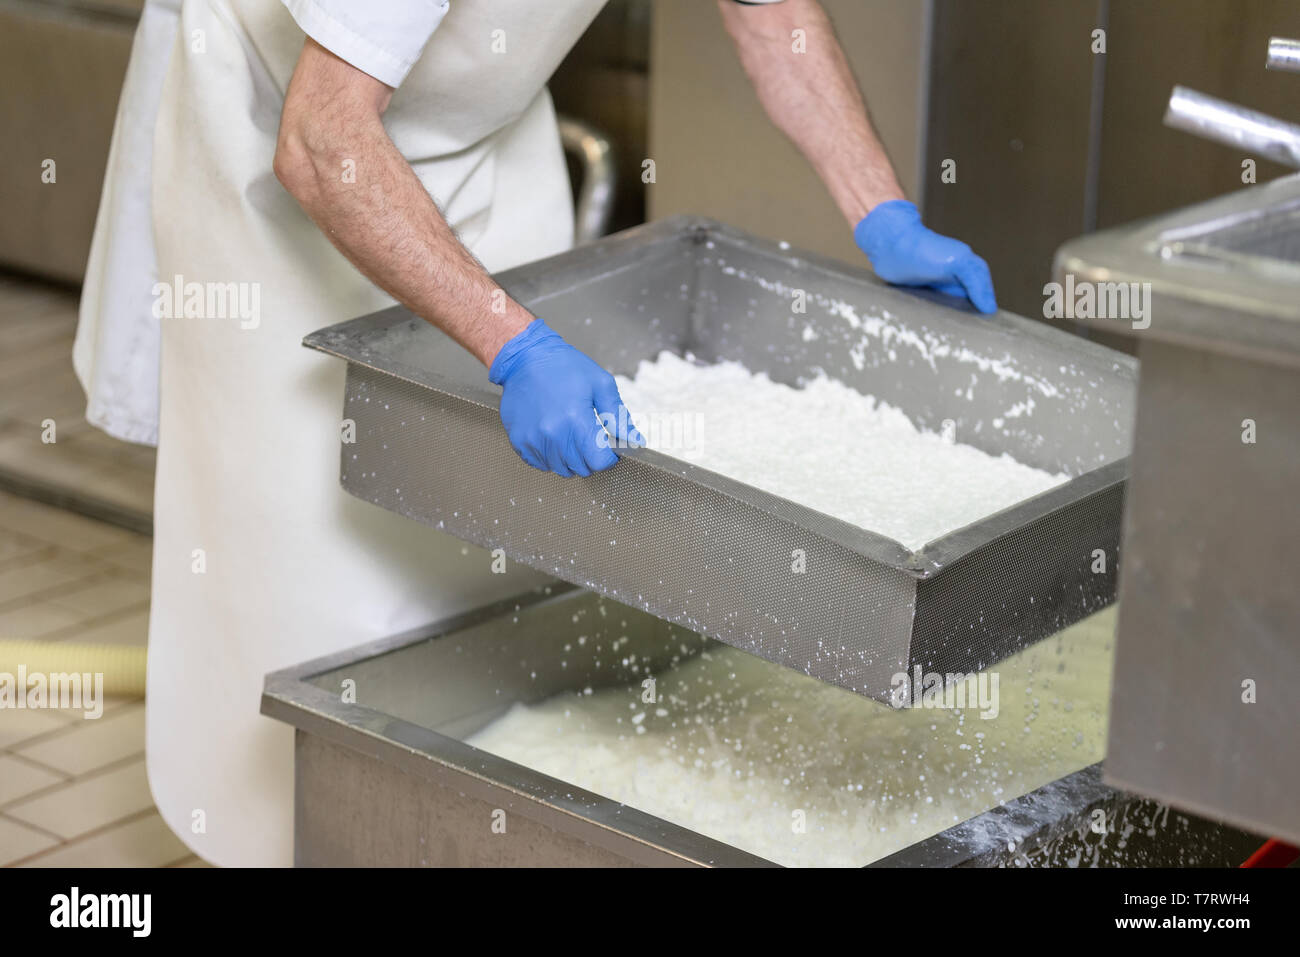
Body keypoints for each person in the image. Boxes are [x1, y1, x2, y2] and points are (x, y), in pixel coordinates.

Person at [73, 0, 996, 866]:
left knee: (498, 584)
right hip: (290, 166)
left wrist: (881, 208)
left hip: (479, 142)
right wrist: (515, 346)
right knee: (324, 590)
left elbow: (771, 18)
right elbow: (321, 141)